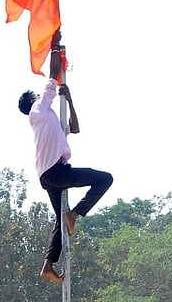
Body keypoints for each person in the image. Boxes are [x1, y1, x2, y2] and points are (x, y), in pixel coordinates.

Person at [18, 30, 113, 283]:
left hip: (48, 174)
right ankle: (77, 213)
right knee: (104, 179)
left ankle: (48, 265)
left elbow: (75, 127)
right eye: (36, 95)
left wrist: (69, 100)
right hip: (55, 172)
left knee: (60, 222)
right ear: (32, 101)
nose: (41, 95)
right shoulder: (38, 110)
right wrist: (55, 46)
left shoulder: (49, 118)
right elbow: (52, 76)